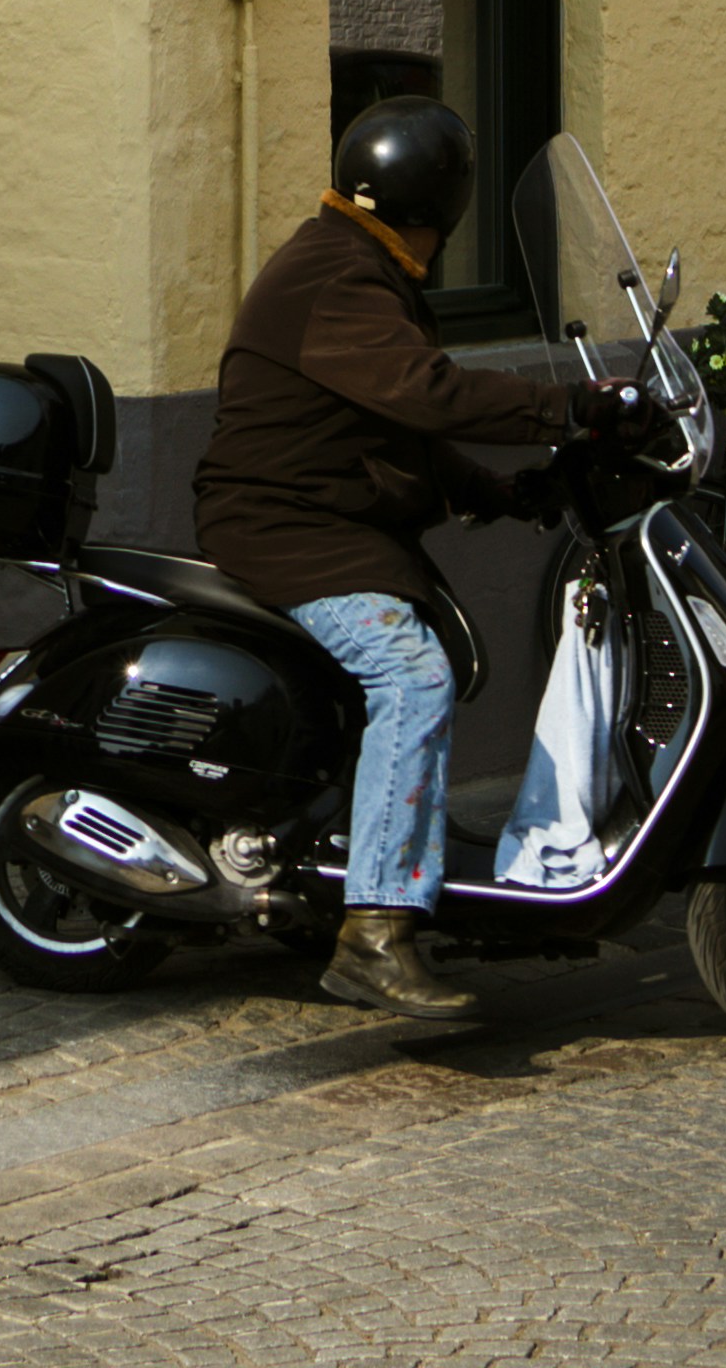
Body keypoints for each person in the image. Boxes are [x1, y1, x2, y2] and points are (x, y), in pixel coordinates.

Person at [192, 95, 568, 1029]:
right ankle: (375, 933)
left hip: (320, 520)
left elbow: (403, 427)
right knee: (410, 674)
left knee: (413, 659)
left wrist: (504, 493)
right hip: (286, 527)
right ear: (445, 203)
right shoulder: (344, 277)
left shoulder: (357, 263)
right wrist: (573, 408)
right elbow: (430, 394)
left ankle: (377, 868)